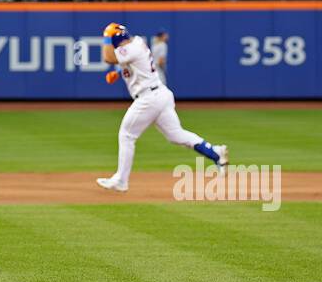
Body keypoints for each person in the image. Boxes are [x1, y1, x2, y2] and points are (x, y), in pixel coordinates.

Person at [95, 23, 228, 193]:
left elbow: (109, 57)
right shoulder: (135, 44)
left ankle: (121, 180)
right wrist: (119, 73)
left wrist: (107, 36)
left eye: (113, 41)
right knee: (176, 135)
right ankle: (216, 153)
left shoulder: (133, 46)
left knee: (127, 135)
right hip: (159, 95)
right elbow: (128, 63)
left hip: (149, 98)